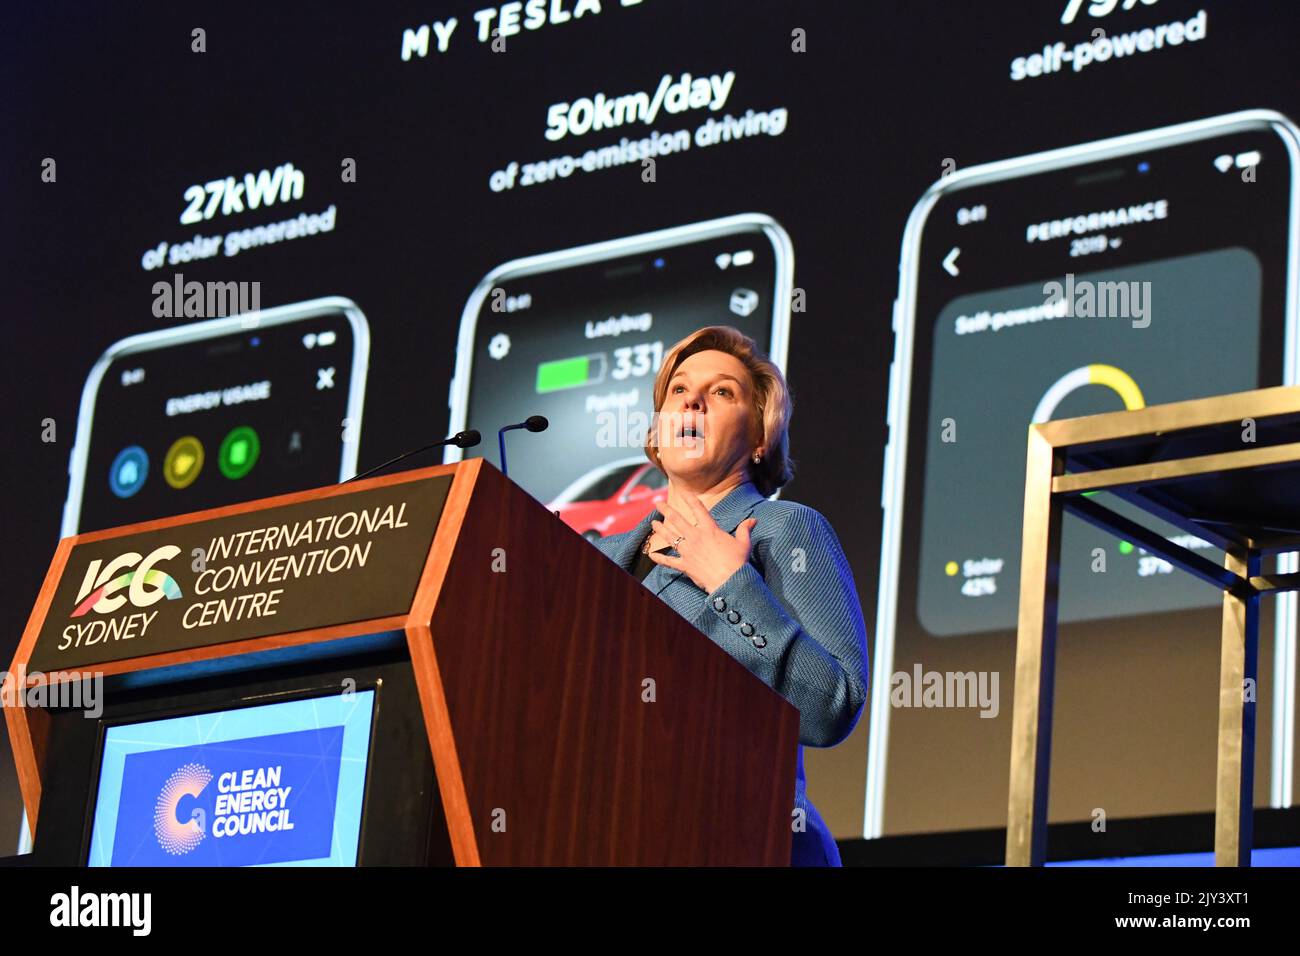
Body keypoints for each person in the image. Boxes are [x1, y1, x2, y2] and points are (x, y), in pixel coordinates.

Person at [591, 325, 869, 866]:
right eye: (678, 390)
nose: (692, 399)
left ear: (760, 436)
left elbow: (833, 706)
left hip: (749, 842)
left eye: (722, 392)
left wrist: (730, 585)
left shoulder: (784, 528)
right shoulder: (599, 561)